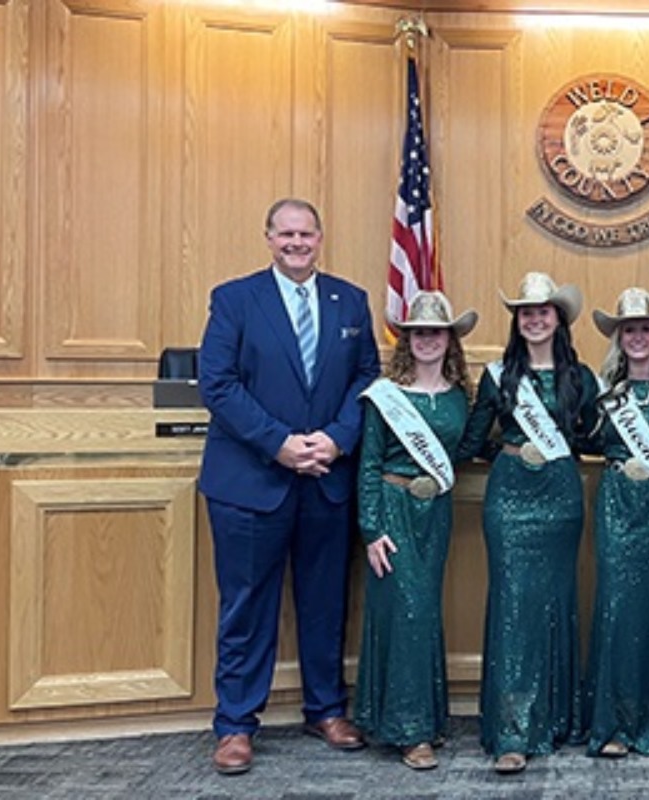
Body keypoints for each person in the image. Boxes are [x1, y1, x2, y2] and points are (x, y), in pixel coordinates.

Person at [198, 198, 381, 774]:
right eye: (286, 234)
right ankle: (235, 725)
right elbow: (217, 383)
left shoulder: (350, 300)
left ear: (321, 237)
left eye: (306, 233)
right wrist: (279, 443)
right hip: (252, 480)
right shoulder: (234, 299)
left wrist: (335, 438)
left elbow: (367, 378)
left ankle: (325, 709)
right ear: (268, 237)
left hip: (327, 479)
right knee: (247, 606)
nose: (296, 243)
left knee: (326, 603)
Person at [457, 272, 598, 774]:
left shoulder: (581, 378)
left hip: (561, 500)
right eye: (525, 311)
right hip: (510, 498)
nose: (534, 318)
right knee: (515, 608)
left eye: (543, 310)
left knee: (557, 604)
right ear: (517, 321)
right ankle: (512, 732)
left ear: (559, 318)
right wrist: (510, 452)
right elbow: (472, 441)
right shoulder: (499, 376)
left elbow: (595, 437)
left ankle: (555, 721)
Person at [352, 291, 478, 771]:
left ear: (450, 339)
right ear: (408, 339)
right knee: (406, 614)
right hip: (393, 508)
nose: (427, 339)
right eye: (419, 332)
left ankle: (419, 716)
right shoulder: (386, 395)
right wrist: (371, 529)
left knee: (422, 614)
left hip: (436, 512)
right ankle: (409, 731)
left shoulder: (458, 397)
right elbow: (368, 466)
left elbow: (463, 449)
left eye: (436, 331)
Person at [582, 288, 649, 758]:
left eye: (646, 328)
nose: (638, 337)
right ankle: (616, 721)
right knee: (617, 607)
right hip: (616, 504)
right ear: (619, 338)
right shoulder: (603, 394)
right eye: (630, 330)